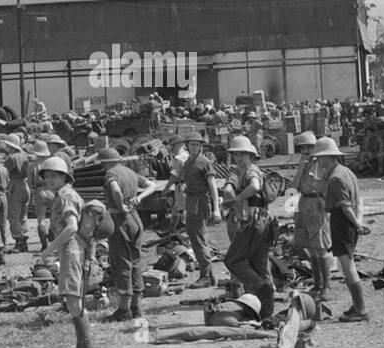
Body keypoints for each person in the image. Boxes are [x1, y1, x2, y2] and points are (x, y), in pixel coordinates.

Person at [38, 155, 97, 348]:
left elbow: (71, 226)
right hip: (72, 250)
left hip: (72, 251)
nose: (49, 179)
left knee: (74, 301)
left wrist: (47, 251)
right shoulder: (63, 194)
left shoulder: (65, 196)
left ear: (65, 177)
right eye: (46, 175)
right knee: (74, 301)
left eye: (54, 176)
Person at [100, 147, 160, 322]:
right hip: (135, 219)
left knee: (121, 263)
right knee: (135, 261)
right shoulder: (130, 172)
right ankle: (136, 306)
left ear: (106, 162)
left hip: (120, 220)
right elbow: (152, 185)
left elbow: (115, 189)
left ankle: (123, 309)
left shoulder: (111, 173)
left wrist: (119, 205)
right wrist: (139, 199)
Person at [221, 134, 277, 321]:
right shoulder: (238, 172)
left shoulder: (251, 170)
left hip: (253, 220)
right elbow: (228, 187)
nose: (239, 157)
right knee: (258, 264)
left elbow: (254, 186)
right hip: (260, 220)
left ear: (251, 156)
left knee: (233, 260)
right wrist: (229, 190)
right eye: (236, 154)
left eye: (243, 154)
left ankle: (260, 286)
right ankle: (266, 313)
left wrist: (237, 198)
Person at [313, 137, 367, 321]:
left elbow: (345, 207)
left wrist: (357, 225)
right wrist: (358, 223)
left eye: (319, 158)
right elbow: (358, 201)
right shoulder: (346, 172)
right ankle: (357, 305)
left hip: (342, 222)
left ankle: (361, 310)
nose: (318, 162)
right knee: (347, 265)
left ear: (327, 157)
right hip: (349, 223)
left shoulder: (335, 178)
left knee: (348, 267)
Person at [171, 131, 220, 289]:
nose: (194, 147)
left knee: (198, 239)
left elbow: (212, 186)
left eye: (197, 144)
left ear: (201, 146)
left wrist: (216, 209)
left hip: (200, 202)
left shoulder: (204, 162)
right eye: (192, 144)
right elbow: (184, 180)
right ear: (187, 146)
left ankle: (205, 276)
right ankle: (210, 276)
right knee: (194, 237)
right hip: (190, 201)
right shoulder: (188, 162)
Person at [290, 130, 333, 300]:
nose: (306, 151)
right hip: (304, 205)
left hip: (317, 206)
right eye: (303, 148)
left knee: (320, 246)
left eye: (309, 147)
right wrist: (301, 167)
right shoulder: (305, 165)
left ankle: (326, 287)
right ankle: (318, 284)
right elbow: (293, 187)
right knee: (311, 247)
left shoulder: (321, 165)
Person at [2, 135, 31, 252]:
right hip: (25, 185)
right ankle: (24, 238)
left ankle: (19, 241)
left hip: (15, 186)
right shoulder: (25, 156)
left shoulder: (11, 158)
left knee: (13, 215)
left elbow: (4, 173)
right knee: (23, 216)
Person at [26, 140, 54, 251]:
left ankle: (44, 245)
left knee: (41, 219)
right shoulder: (52, 163)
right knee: (55, 216)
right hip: (52, 190)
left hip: (39, 191)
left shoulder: (32, 165)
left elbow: (30, 184)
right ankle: (53, 238)